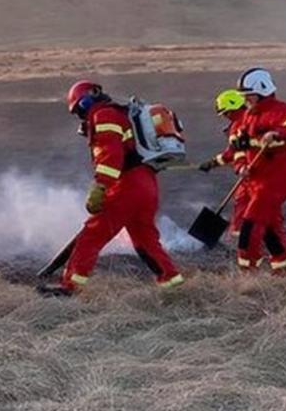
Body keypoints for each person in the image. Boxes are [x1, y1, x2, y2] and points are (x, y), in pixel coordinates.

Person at [39, 81, 184, 297]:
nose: (80, 117)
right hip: (146, 183)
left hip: (127, 186)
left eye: (78, 111)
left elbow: (111, 155)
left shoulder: (103, 115)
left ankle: (70, 287)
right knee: (145, 240)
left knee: (91, 235)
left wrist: (101, 186)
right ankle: (172, 283)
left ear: (84, 103)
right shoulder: (118, 113)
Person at [230, 68, 286, 273]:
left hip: (274, 182)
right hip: (253, 181)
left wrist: (278, 133)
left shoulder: (281, 111)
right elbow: (239, 149)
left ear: (262, 91)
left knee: (250, 226)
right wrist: (240, 166)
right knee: (270, 230)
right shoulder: (247, 116)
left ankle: (247, 274)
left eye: (248, 95)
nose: (245, 99)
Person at [198, 89, 251, 237]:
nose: (225, 117)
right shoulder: (253, 117)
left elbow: (233, 153)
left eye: (226, 113)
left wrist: (213, 163)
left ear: (233, 108)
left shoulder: (238, 125)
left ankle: (239, 235)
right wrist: (214, 163)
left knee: (243, 201)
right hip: (264, 168)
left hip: (250, 171)